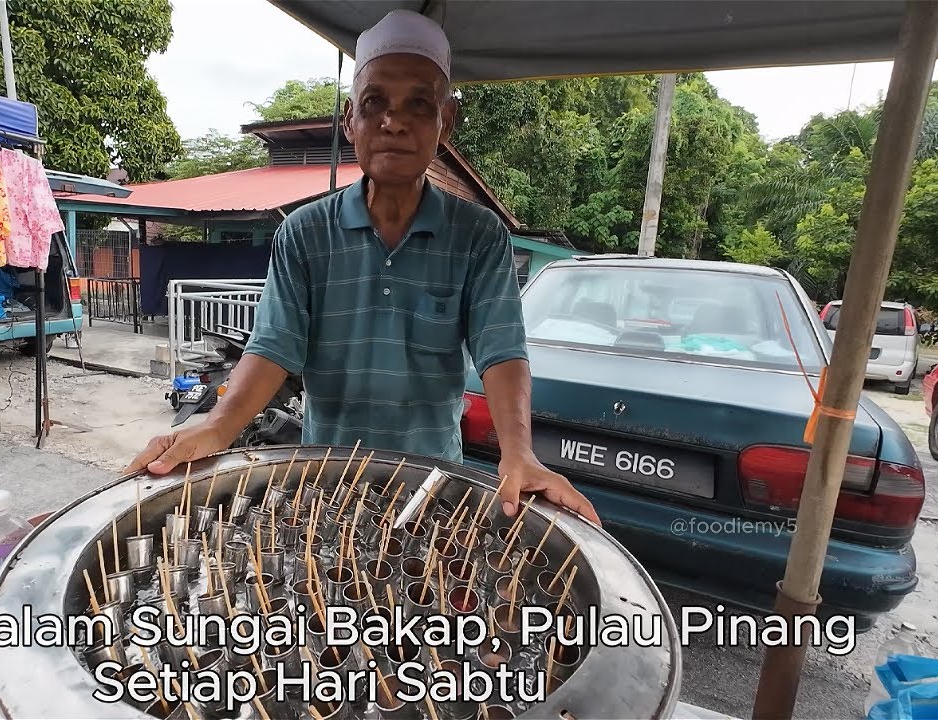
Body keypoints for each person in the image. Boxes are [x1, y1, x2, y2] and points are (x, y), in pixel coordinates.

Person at [126, 10, 599, 524]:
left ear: (447, 122)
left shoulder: (478, 235)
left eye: (418, 104)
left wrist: (519, 453)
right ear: (351, 119)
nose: (393, 122)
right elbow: (272, 349)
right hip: (324, 480)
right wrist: (217, 427)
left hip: (431, 486)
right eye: (376, 103)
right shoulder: (304, 233)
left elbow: (502, 352)